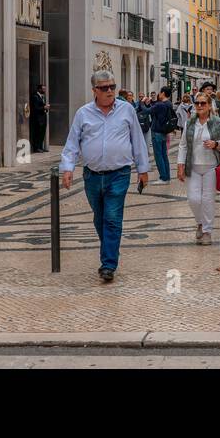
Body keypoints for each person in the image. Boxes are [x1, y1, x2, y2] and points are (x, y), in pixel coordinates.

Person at [60, 71, 150, 282]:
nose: (110, 91)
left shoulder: (127, 110)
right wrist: (67, 168)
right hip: (91, 175)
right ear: (94, 91)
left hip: (119, 174)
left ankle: (108, 264)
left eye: (112, 86)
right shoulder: (83, 114)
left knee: (111, 217)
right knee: (100, 218)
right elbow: (73, 143)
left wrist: (143, 170)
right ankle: (111, 248)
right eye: (104, 88)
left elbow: (138, 141)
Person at [177, 91, 220, 244]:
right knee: (193, 199)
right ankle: (200, 222)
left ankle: (207, 231)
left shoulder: (218, 122)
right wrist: (180, 165)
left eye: (203, 103)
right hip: (193, 166)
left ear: (209, 106)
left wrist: (216, 144)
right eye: (197, 103)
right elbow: (183, 145)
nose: (200, 106)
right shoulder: (190, 123)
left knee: (207, 200)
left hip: (211, 167)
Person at [148, 86, 179, 183]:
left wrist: (142, 103)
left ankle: (163, 177)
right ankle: (167, 176)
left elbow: (146, 111)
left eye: (160, 92)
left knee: (158, 156)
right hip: (164, 132)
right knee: (164, 155)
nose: (158, 94)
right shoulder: (169, 104)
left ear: (163, 93)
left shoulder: (160, 105)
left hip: (157, 131)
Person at [30, 84, 49, 153]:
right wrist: (44, 107)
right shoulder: (35, 97)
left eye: (45, 89)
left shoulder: (42, 97)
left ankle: (41, 147)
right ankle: (36, 148)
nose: (44, 90)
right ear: (39, 89)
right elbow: (35, 108)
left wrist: (46, 108)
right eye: (43, 89)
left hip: (43, 118)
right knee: (37, 133)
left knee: (42, 133)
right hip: (38, 119)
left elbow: (43, 107)